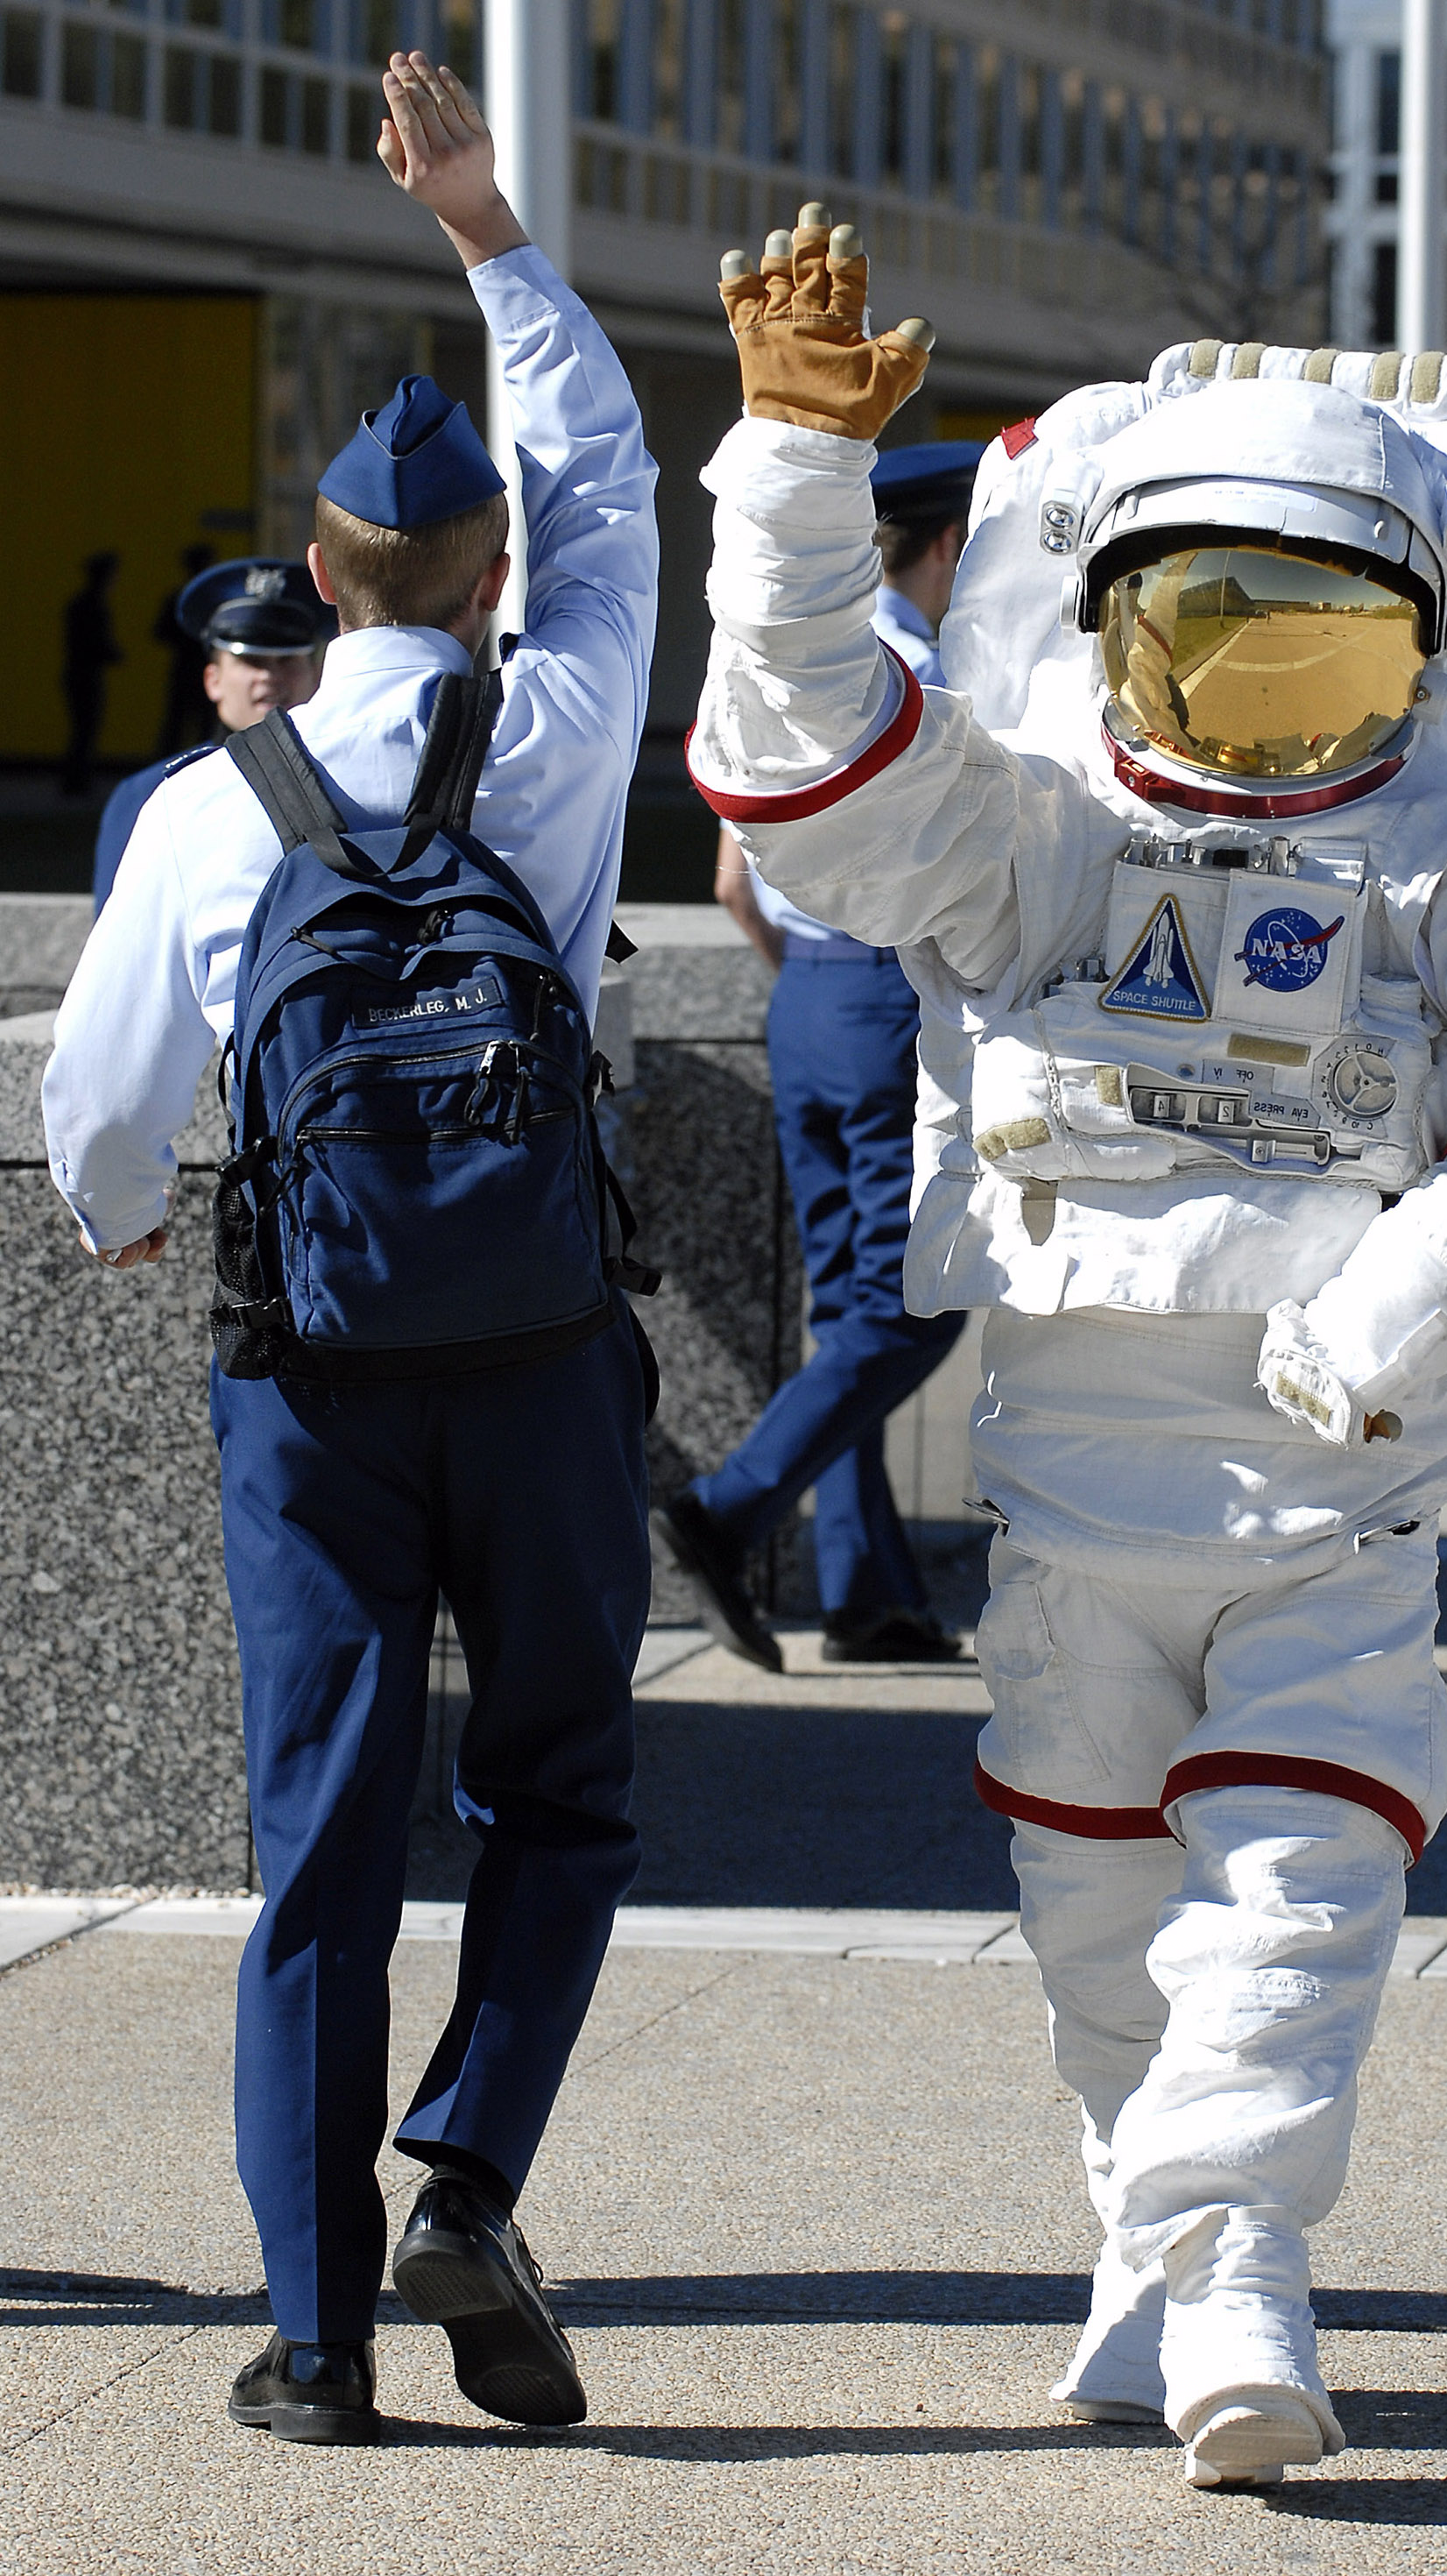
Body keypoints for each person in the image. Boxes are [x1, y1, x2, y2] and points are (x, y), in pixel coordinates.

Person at [685, 210, 1447, 2486]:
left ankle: (1233, 2255)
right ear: (1113, 627)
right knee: (1098, 1904)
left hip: (1326, 1495)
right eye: (1205, 638)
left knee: (1305, 1882)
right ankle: (1153, 2245)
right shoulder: (1039, 828)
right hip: (1070, 1488)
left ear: (1419, 652)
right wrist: (794, 481)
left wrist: (1385, 1312)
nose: (1251, 701)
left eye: (1311, 649)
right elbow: (816, 773)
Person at [42, 52, 659, 2446]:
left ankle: (314, 2341)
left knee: (322, 1835)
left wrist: (122, 1219)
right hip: (541, 1348)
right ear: (488, 579)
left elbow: (97, 1107)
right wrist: (487, 228)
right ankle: (473, 2168)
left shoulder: (209, 809)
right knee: (565, 1783)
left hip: (300, 1366)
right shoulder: (570, 722)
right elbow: (605, 484)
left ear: (312, 583)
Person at [657, 442, 983, 1671]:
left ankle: (868, 1593)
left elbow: (735, 875)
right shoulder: (916, 676)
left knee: (851, 1308)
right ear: (945, 545)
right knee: (912, 1314)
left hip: (807, 1001)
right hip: (887, 994)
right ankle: (728, 1509)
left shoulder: (789, 669)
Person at [94, 558, 330, 915]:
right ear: (212, 680)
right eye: (251, 661)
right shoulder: (150, 794)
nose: (268, 678)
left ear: (316, 674)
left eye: (286, 660)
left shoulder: (345, 780)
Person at [60, 551, 123, 796]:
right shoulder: (94, 606)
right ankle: (76, 782)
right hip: (86, 675)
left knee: (82, 729)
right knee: (85, 729)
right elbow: (92, 643)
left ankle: (76, 780)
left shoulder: (79, 604)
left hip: (77, 673)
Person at [152, 541, 217, 755]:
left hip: (188, 667)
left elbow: (159, 633)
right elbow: (160, 632)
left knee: (182, 725)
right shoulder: (209, 601)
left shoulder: (179, 598)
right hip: (197, 666)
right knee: (190, 725)